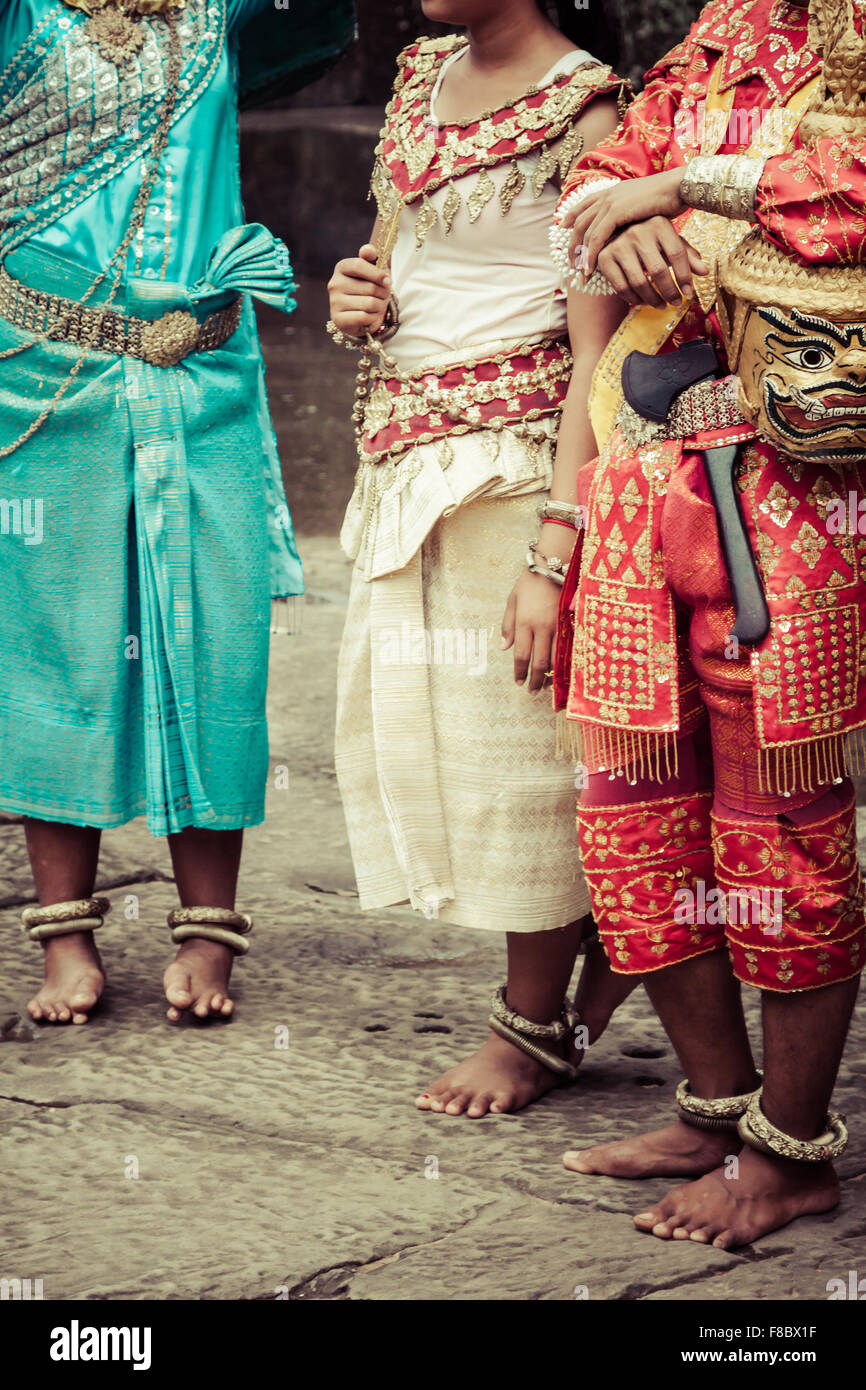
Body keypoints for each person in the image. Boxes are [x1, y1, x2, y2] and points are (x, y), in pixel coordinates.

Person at [552, 0, 866, 1247]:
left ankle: (789, 1153)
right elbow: (598, 170)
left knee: (776, 819)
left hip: (796, 480)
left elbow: (840, 190)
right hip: (639, 469)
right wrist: (618, 224)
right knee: (632, 808)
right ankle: (716, 1107)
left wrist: (675, 189)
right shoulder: (721, 25)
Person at [0, 0, 352, 1025]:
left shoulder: (220, 7)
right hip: (37, 375)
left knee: (214, 640)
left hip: (203, 373)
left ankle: (209, 930)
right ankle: (64, 937)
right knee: (51, 646)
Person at [327, 0, 635, 1119]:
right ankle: (569, 1007)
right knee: (456, 745)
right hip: (408, 456)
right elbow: (388, 255)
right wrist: (355, 293)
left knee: (522, 763)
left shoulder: (586, 109)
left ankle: (531, 1028)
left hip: (517, 470)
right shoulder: (418, 76)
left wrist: (559, 540)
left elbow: (601, 344)